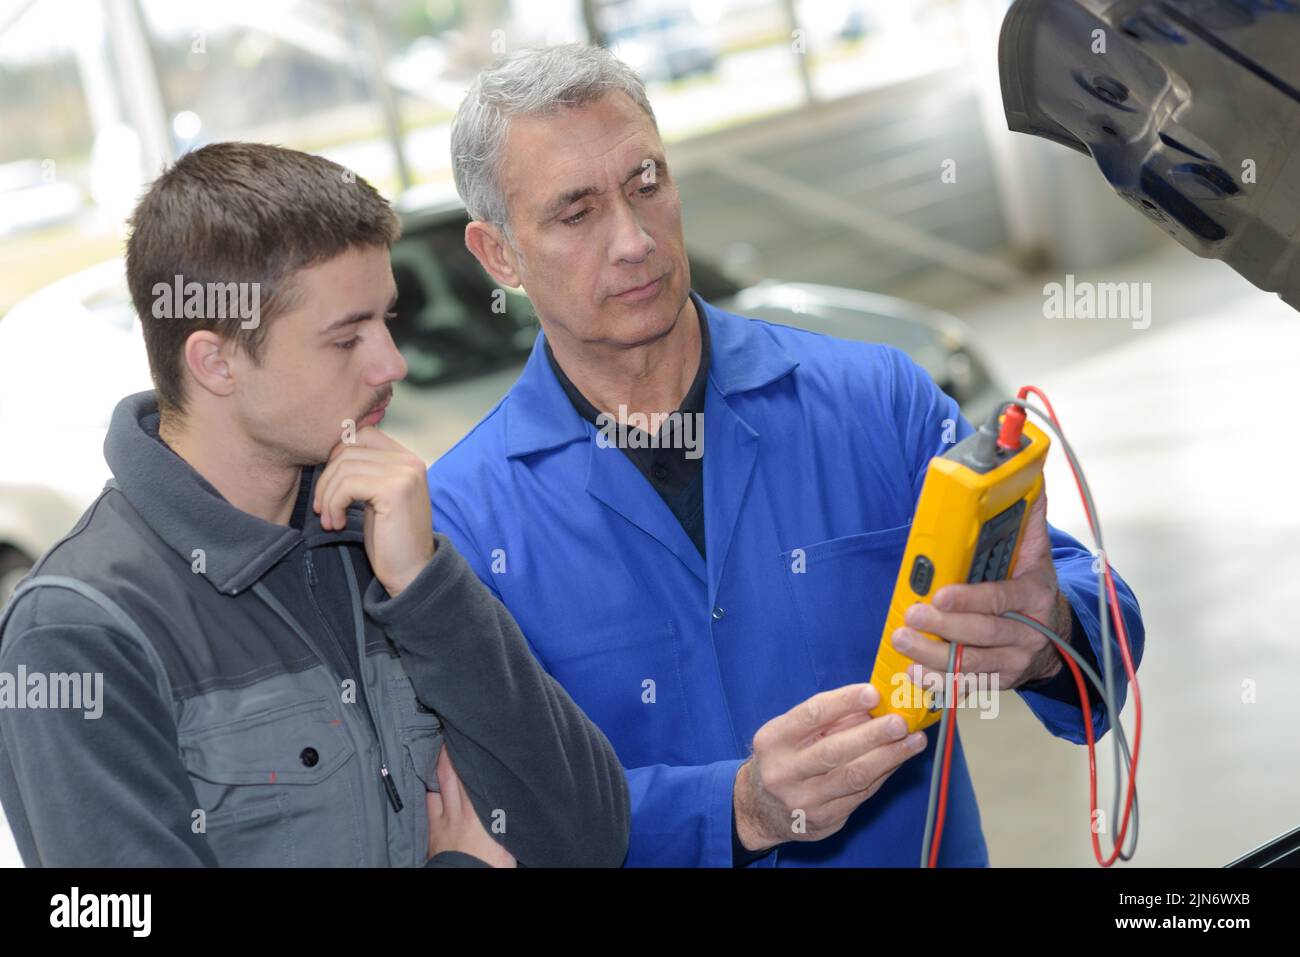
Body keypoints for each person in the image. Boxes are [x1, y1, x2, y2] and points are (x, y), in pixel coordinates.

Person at [426, 44, 1146, 867]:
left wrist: (1047, 631)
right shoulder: (459, 521)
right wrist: (732, 810)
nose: (633, 240)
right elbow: (495, 815)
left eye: (646, 183)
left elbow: (1102, 619)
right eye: (576, 212)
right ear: (499, 256)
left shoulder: (875, 401)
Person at [0, 142, 629, 868]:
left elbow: (591, 839)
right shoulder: (80, 631)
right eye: (346, 337)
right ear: (216, 362)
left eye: (387, 320)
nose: (390, 362)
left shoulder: (388, 542)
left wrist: (430, 591)